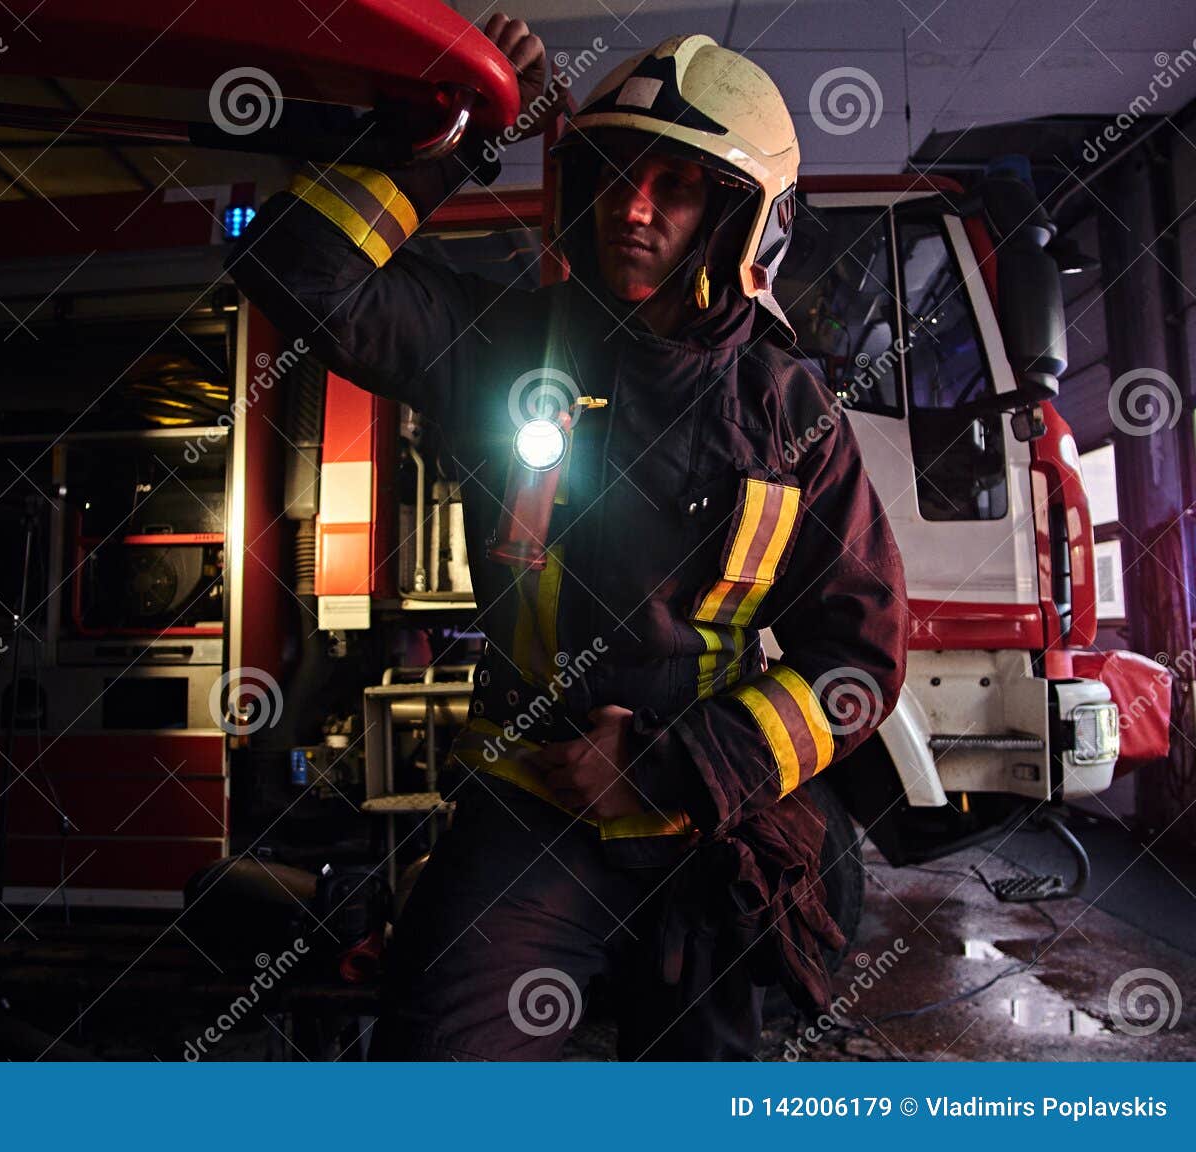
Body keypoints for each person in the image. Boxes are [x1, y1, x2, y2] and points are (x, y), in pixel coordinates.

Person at [227, 14, 908, 1060]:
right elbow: (297, 266)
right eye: (615, 174)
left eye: (674, 187)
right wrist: (455, 123)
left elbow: (857, 662)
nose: (630, 210)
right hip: (529, 807)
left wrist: (675, 765)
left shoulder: (790, 415)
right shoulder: (505, 346)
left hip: (709, 831)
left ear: (745, 224)